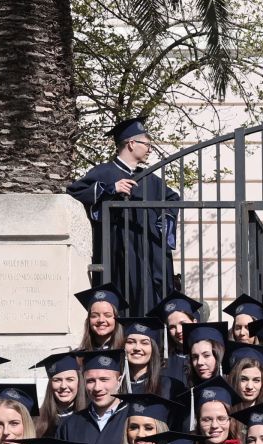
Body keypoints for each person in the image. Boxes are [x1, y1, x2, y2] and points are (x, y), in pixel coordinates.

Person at [67, 118, 179, 312]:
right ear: (131, 144)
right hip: (115, 252)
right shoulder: (103, 172)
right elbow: (74, 194)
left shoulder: (150, 179)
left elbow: (173, 200)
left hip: (148, 255)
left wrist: (160, 226)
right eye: (147, 144)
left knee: (149, 301)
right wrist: (110, 189)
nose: (150, 149)